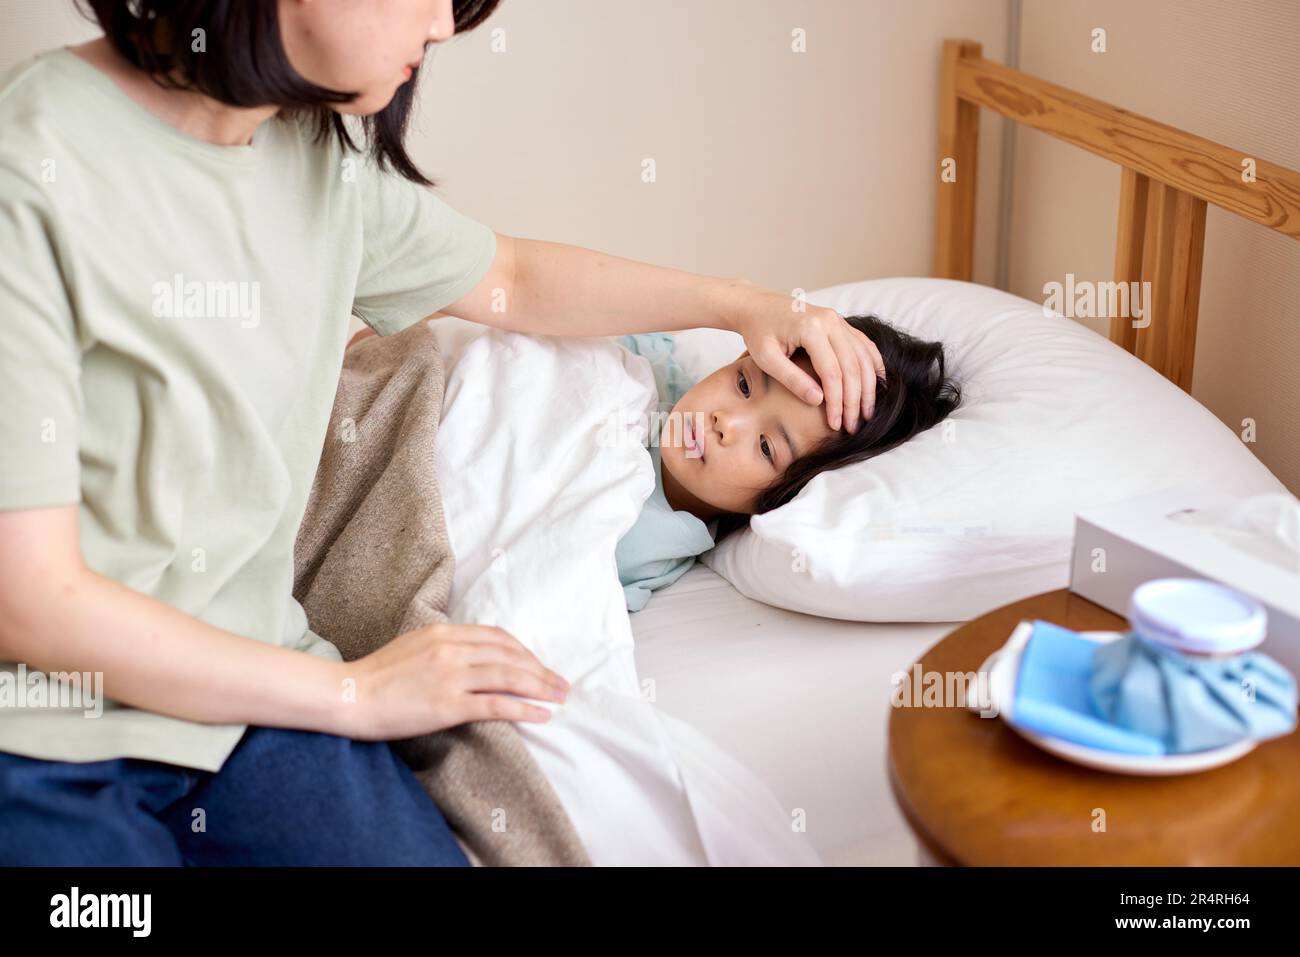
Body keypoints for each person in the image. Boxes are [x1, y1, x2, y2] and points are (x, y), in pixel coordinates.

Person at [0, 0, 884, 865]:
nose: (443, 25)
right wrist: (351, 692)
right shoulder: (33, 165)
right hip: (47, 733)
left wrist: (746, 304)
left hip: (253, 704)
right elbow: (30, 603)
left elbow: (515, 276)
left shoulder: (312, 155)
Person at [615, 317, 960, 611]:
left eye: (766, 448)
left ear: (784, 496)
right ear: (745, 355)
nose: (726, 422)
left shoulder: (643, 545)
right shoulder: (647, 359)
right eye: (744, 384)